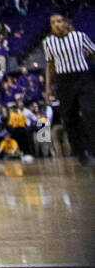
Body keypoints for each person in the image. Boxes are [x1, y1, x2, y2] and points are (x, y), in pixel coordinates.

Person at [42, 13, 95, 166]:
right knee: (70, 118)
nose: (56, 24)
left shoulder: (80, 36)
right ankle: (80, 152)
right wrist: (48, 88)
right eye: (53, 23)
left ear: (65, 23)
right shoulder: (48, 42)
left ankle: (93, 148)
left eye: (59, 21)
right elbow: (50, 66)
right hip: (63, 81)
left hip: (83, 77)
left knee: (90, 111)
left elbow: (93, 52)